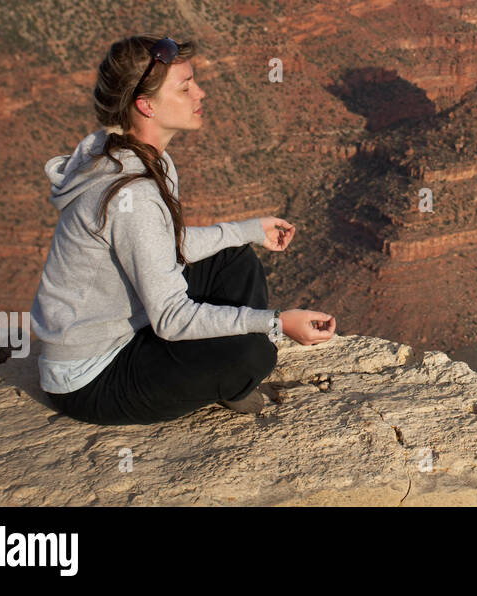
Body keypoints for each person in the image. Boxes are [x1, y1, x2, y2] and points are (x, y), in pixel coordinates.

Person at [30, 35, 336, 425]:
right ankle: (230, 373)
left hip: (132, 329)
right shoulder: (132, 194)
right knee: (253, 356)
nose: (200, 93)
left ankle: (224, 362)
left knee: (233, 258)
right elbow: (172, 319)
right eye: (185, 86)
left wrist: (248, 229)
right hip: (88, 378)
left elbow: (164, 247)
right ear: (146, 106)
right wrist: (276, 322)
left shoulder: (136, 154)